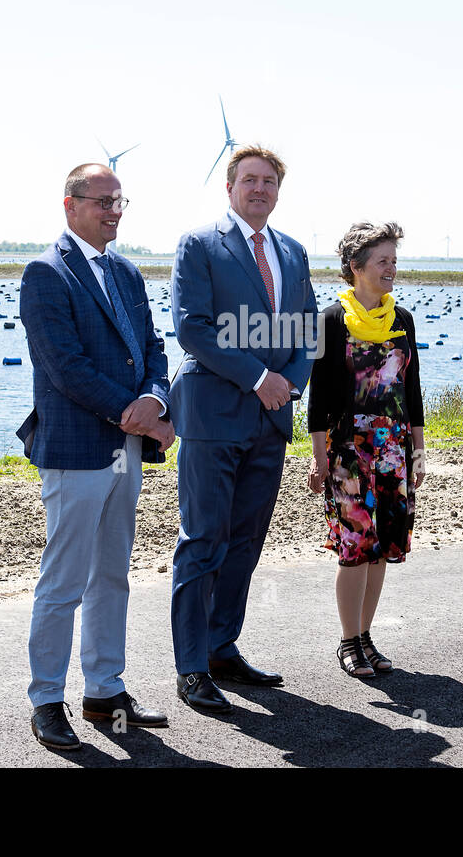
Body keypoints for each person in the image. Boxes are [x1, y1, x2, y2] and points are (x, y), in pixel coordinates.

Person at [16, 163, 175, 751]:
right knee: (64, 580)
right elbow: (65, 368)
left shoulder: (127, 273)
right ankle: (46, 699)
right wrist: (132, 413)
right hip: (77, 450)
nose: (114, 210)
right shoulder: (45, 274)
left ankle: (105, 690)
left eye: (120, 200)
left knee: (112, 575)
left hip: (126, 450)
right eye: (103, 200)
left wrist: (157, 399)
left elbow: (154, 349)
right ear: (70, 205)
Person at [168, 145, 319, 713]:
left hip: (270, 420)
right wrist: (260, 377)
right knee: (203, 539)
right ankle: (190, 667)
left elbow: (309, 330)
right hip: (212, 416)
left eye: (269, 182)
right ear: (230, 186)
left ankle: (221, 646)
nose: (260, 189)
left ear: (279, 191)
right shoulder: (200, 245)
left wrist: (289, 384)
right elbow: (193, 329)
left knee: (245, 543)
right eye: (250, 180)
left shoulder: (293, 251)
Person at [307, 222, 425, 678]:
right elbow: (318, 400)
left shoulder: (403, 320)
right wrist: (318, 459)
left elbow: (412, 392)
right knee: (354, 547)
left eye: (394, 261)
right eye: (383, 261)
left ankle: (367, 637)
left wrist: (418, 449)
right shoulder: (331, 321)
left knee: (381, 548)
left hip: (394, 449)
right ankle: (347, 641)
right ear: (356, 267)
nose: (391, 269)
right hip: (348, 453)